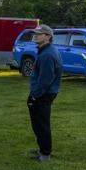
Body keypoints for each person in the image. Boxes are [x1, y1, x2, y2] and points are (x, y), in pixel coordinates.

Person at [25, 25, 60, 162]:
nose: (35, 35)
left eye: (39, 33)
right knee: (39, 123)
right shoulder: (45, 51)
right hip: (43, 93)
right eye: (35, 33)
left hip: (43, 94)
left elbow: (45, 80)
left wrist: (34, 95)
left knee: (41, 124)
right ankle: (42, 150)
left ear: (47, 36)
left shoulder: (48, 54)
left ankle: (45, 154)